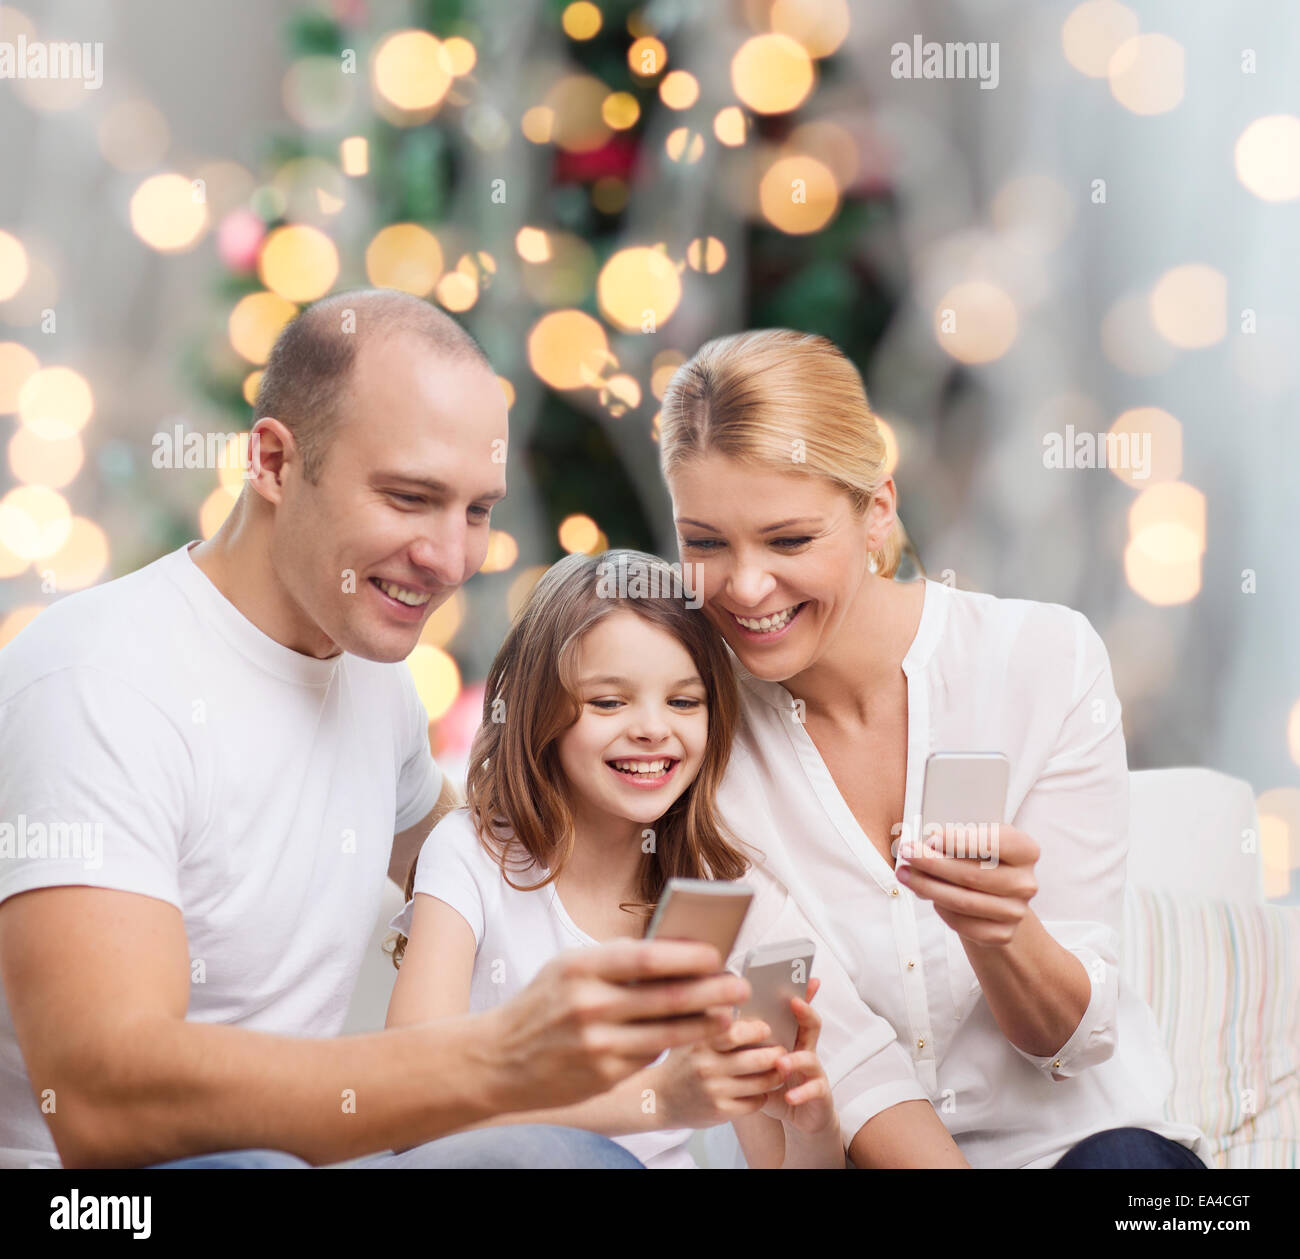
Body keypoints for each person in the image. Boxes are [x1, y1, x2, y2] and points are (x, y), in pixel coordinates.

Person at [0, 290, 750, 1171]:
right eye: (408, 496)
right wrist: (501, 1057)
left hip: (304, 1163)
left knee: (563, 1156)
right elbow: (102, 1103)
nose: (450, 558)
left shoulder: (372, 678)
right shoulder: (100, 683)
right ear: (275, 461)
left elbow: (490, 848)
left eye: (476, 511)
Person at [655, 328, 1213, 1170]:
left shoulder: (1044, 660)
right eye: (705, 543)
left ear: (877, 509)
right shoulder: (695, 738)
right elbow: (842, 1060)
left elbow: (1072, 1040)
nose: (746, 586)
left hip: (1085, 1149)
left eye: (789, 540)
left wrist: (999, 934)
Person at [386, 549, 968, 1168]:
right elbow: (409, 1109)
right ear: (539, 714)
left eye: (684, 703)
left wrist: (810, 1129)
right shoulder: (473, 855)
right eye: (609, 702)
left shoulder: (721, 897)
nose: (651, 729)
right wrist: (655, 1100)